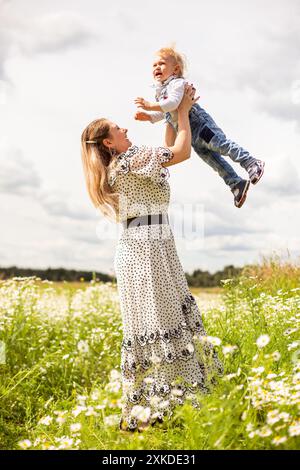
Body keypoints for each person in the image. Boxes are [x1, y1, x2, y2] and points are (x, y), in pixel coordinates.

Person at [80, 84, 224, 433]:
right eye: (118, 128)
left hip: (146, 243)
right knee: (159, 320)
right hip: (146, 247)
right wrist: (184, 111)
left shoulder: (127, 162)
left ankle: (160, 404)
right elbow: (180, 151)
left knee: (154, 321)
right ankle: (163, 407)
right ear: (109, 143)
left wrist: (173, 113)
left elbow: (166, 146)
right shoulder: (131, 160)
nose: (125, 128)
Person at [134, 46, 265, 208]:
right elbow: (167, 112)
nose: (157, 68)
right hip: (190, 134)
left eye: (161, 63)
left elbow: (172, 104)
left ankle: (251, 162)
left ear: (175, 69)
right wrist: (150, 117)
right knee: (212, 160)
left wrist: (149, 106)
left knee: (221, 145)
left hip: (200, 125)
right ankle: (235, 183)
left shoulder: (177, 83)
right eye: (154, 65)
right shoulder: (161, 92)